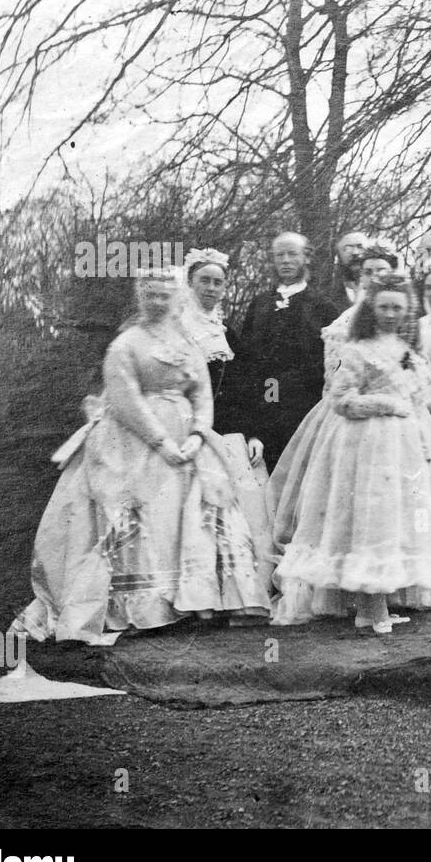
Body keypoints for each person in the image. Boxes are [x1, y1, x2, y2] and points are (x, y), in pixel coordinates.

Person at [12, 267, 271, 645]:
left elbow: (201, 393)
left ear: (177, 298)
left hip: (188, 439)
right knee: (143, 512)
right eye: (151, 295)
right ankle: (145, 606)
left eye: (165, 295)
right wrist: (164, 444)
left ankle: (199, 600)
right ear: (140, 297)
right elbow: (126, 401)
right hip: (135, 441)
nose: (158, 302)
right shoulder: (126, 345)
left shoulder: (186, 342)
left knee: (203, 508)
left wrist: (198, 435)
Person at [269, 272, 431, 623]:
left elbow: (415, 395)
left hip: (405, 445)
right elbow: (341, 400)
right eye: (383, 307)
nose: (390, 314)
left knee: (394, 523)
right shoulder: (355, 349)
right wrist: (386, 404)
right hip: (367, 443)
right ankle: (369, 609)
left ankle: (377, 606)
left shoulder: (410, 351)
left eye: (397, 307)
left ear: (407, 310)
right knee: (371, 520)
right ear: (371, 308)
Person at [180, 247, 275, 605]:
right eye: (204, 280)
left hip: (228, 432)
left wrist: (253, 433)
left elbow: (248, 389)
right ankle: (197, 593)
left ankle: (238, 591)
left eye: (218, 282)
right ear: (190, 282)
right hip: (187, 431)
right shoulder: (176, 330)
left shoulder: (229, 335)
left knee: (243, 508)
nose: (211, 288)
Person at [237, 232, 339, 469]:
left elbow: (334, 364)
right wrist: (252, 428)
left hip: (308, 411)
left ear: (307, 258)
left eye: (292, 254)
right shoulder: (260, 305)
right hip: (267, 406)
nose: (285, 260)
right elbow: (247, 365)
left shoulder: (323, 307)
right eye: (279, 255)